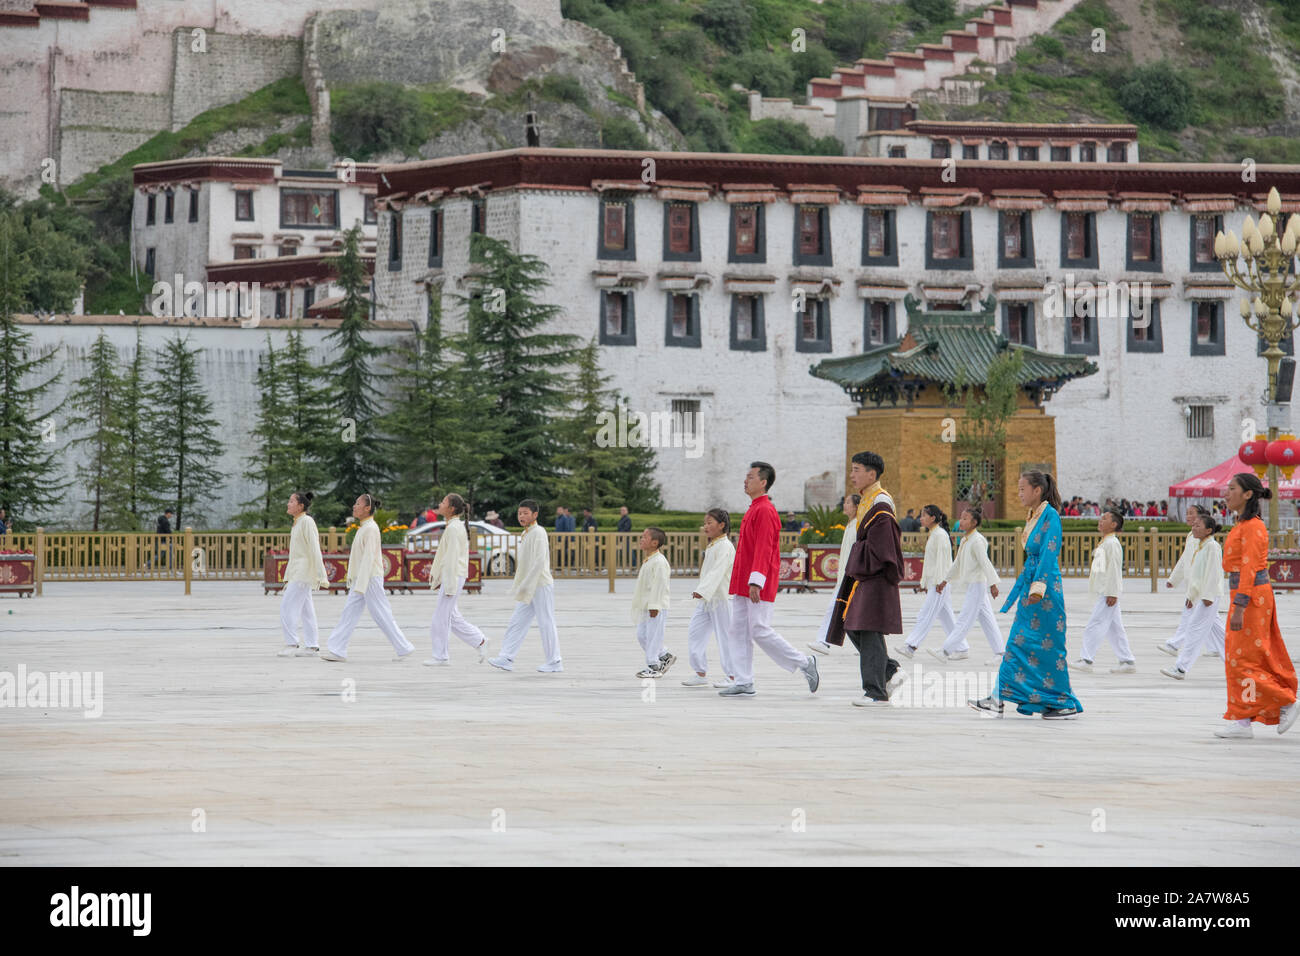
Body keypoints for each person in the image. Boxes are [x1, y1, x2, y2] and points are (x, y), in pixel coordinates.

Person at [969, 471, 1082, 719]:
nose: (1019, 494)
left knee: (1044, 647)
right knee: (1025, 645)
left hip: (1044, 592)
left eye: (1022, 489)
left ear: (1037, 490)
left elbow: (1049, 554)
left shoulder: (1050, 517)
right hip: (1033, 588)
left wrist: (1038, 589)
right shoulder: (1035, 516)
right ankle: (1004, 698)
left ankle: (1062, 701)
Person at [720, 461, 819, 698]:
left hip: (757, 582)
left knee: (759, 629)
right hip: (744, 580)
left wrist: (756, 580)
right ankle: (744, 681)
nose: (746, 480)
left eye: (751, 477)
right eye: (746, 476)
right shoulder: (754, 507)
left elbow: (764, 549)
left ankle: (805, 662)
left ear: (763, 482)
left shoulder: (765, 510)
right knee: (738, 630)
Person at [1214, 473, 1298, 738]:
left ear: (1248, 494)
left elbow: (1250, 568)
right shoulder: (1242, 525)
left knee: (1245, 660)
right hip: (1245, 594)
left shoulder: (1252, 527)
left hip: (1250, 598)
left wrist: (1240, 605)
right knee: (1240, 659)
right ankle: (1243, 719)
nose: (1226, 494)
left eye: (1232, 489)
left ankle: (1286, 700)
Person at [827, 451, 908, 707]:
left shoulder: (880, 502)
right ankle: (890, 671)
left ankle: (876, 692)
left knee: (867, 627)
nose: (852, 475)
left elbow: (883, 544)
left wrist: (862, 561)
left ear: (871, 474)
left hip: (875, 573)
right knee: (852, 624)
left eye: (856, 469)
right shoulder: (867, 499)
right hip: (865, 573)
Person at [321, 493, 416, 663]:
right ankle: (338, 649)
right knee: (351, 613)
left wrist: (361, 584)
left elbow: (369, 558)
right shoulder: (364, 527)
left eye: (358, 504)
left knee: (381, 614)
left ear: (367, 508)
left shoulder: (371, 528)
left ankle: (404, 647)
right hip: (363, 578)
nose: (354, 506)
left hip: (369, 578)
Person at [488, 499, 562, 672]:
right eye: (520, 513)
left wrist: (526, 583)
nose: (521, 516)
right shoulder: (527, 533)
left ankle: (555, 661)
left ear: (535, 515)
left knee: (546, 622)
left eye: (525, 513)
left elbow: (539, 561)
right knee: (517, 621)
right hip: (529, 585)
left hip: (540, 584)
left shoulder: (539, 532)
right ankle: (506, 657)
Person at [422, 493, 489, 666]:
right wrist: (437, 573)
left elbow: (452, 558)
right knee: (452, 616)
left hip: (453, 576)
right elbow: (448, 556)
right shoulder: (453, 526)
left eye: (443, 502)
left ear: (451, 509)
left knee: (440, 617)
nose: (440, 503)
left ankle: (441, 656)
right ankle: (480, 641)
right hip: (453, 575)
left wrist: (448, 584)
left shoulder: (453, 528)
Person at [1160, 511, 1226, 681]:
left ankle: (1181, 668)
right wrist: (1191, 596)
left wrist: (1208, 596)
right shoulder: (1200, 546)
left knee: (1194, 631)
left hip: (1208, 596)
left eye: (1198, 525)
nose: (1194, 527)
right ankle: (1237, 665)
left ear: (1208, 530)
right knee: (1219, 634)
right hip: (1201, 595)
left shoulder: (1212, 547)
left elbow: (1214, 573)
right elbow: (1196, 575)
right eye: (1194, 524)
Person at [933, 505, 1003, 663]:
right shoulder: (966, 539)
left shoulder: (977, 541)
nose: (961, 521)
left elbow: (985, 563)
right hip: (973, 584)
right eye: (961, 518)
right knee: (987, 619)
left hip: (977, 584)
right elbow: (957, 564)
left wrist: (993, 584)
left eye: (965, 519)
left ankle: (946, 650)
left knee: (965, 618)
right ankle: (1000, 652)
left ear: (974, 522)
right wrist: (944, 580)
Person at [1076, 507, 1136, 673]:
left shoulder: (1112, 544)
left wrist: (1112, 593)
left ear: (1114, 524)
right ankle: (1127, 661)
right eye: (1101, 518)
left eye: (1104, 519)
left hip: (1108, 592)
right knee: (1115, 628)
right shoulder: (1105, 542)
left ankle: (1087, 659)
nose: (1100, 521)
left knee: (1094, 624)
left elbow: (1115, 570)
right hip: (1104, 590)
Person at [894, 504, 956, 660]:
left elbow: (943, 562)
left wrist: (941, 582)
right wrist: (924, 584)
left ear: (933, 518)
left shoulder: (940, 535)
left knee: (925, 614)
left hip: (940, 584)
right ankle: (961, 647)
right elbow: (931, 563)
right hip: (936, 583)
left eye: (923, 515)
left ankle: (911, 646)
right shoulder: (934, 534)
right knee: (947, 618)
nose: (920, 518)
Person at [682, 509, 737, 687]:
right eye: (705, 523)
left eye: (709, 523)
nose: (705, 526)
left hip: (721, 598)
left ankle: (732, 676)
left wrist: (702, 590)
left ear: (722, 525)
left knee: (725, 637)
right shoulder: (713, 544)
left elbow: (718, 571)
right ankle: (700, 672)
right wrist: (703, 592)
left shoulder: (726, 546)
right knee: (695, 632)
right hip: (707, 599)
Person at [277, 490, 330, 657]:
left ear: (301, 506)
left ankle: (292, 644)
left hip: (303, 573)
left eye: (291, 501)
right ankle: (312, 646)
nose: (288, 504)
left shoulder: (307, 521)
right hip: (297, 571)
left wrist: (321, 574)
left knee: (287, 605)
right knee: (306, 609)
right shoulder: (297, 522)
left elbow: (314, 548)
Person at [807, 492, 861, 655]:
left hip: (851, 576)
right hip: (845, 575)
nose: (844, 505)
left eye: (847, 503)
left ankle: (824, 641)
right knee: (855, 611)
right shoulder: (850, 524)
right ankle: (867, 646)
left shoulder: (859, 525)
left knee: (834, 607)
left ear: (856, 506)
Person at [631, 526, 675, 679]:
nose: (641, 539)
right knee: (642, 635)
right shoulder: (650, 560)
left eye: (645, 537)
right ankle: (664, 656)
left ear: (655, 543)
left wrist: (655, 606)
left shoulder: (660, 562)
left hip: (656, 606)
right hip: (647, 605)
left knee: (653, 636)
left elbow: (659, 586)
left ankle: (653, 666)